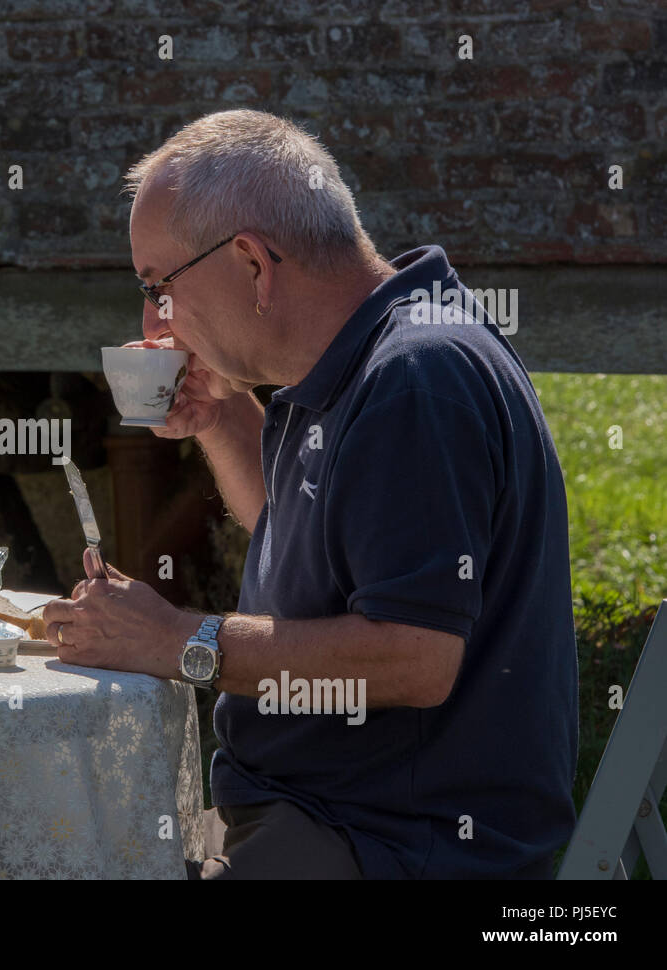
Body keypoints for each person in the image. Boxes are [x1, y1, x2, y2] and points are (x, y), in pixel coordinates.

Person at [43, 109, 577, 879]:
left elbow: (415, 657)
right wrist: (223, 417)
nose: (154, 318)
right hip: (311, 811)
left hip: (392, 843)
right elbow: (323, 551)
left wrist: (176, 641)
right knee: (51, 840)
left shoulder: (415, 379)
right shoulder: (354, 356)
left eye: (160, 286)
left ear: (254, 264)